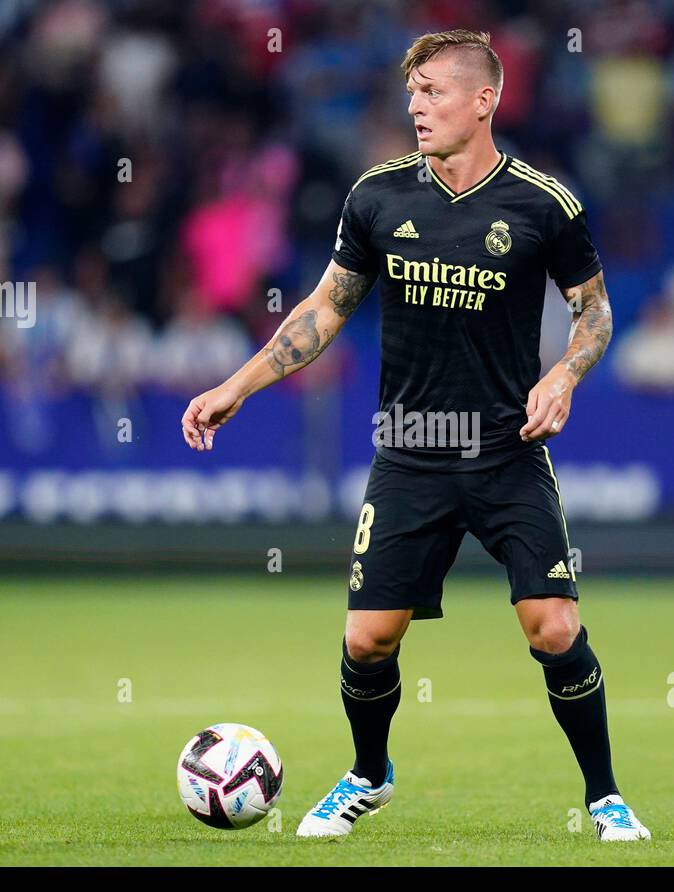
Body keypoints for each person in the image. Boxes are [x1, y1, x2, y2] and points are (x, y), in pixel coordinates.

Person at [181, 30, 648, 842]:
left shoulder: (544, 205)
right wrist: (237, 386)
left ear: (483, 100)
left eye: (432, 91)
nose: (415, 106)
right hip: (409, 450)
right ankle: (368, 774)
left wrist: (565, 373)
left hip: (507, 452)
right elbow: (324, 309)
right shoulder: (377, 197)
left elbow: (595, 312)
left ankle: (605, 796)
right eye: (412, 92)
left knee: (554, 626)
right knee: (367, 639)